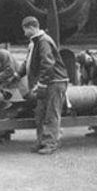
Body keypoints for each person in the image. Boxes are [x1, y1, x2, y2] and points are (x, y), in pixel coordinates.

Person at [12, 17, 68, 155]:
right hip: (46, 82)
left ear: (31, 27)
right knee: (40, 113)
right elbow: (28, 62)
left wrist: (42, 83)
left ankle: (50, 143)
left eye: (25, 30)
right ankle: (41, 141)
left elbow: (47, 63)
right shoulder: (35, 42)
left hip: (54, 82)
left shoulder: (43, 41)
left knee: (51, 114)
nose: (24, 33)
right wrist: (18, 74)